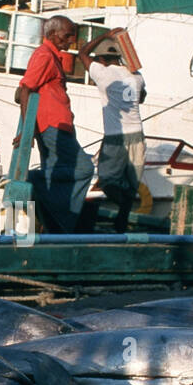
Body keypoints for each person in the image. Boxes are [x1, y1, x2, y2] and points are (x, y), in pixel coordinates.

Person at [14, 15, 95, 233]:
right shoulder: (45, 55)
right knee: (85, 169)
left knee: (59, 172)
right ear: (52, 34)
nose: (71, 40)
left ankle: (54, 224)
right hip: (52, 127)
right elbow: (26, 88)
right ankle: (35, 182)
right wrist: (28, 128)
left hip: (59, 127)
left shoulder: (52, 56)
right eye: (67, 35)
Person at [79, 27, 146, 232]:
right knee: (131, 182)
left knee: (107, 182)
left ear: (101, 58)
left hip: (116, 136)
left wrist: (106, 35)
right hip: (138, 135)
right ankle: (122, 221)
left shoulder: (103, 73)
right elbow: (142, 97)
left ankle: (123, 203)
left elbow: (82, 53)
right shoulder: (136, 77)